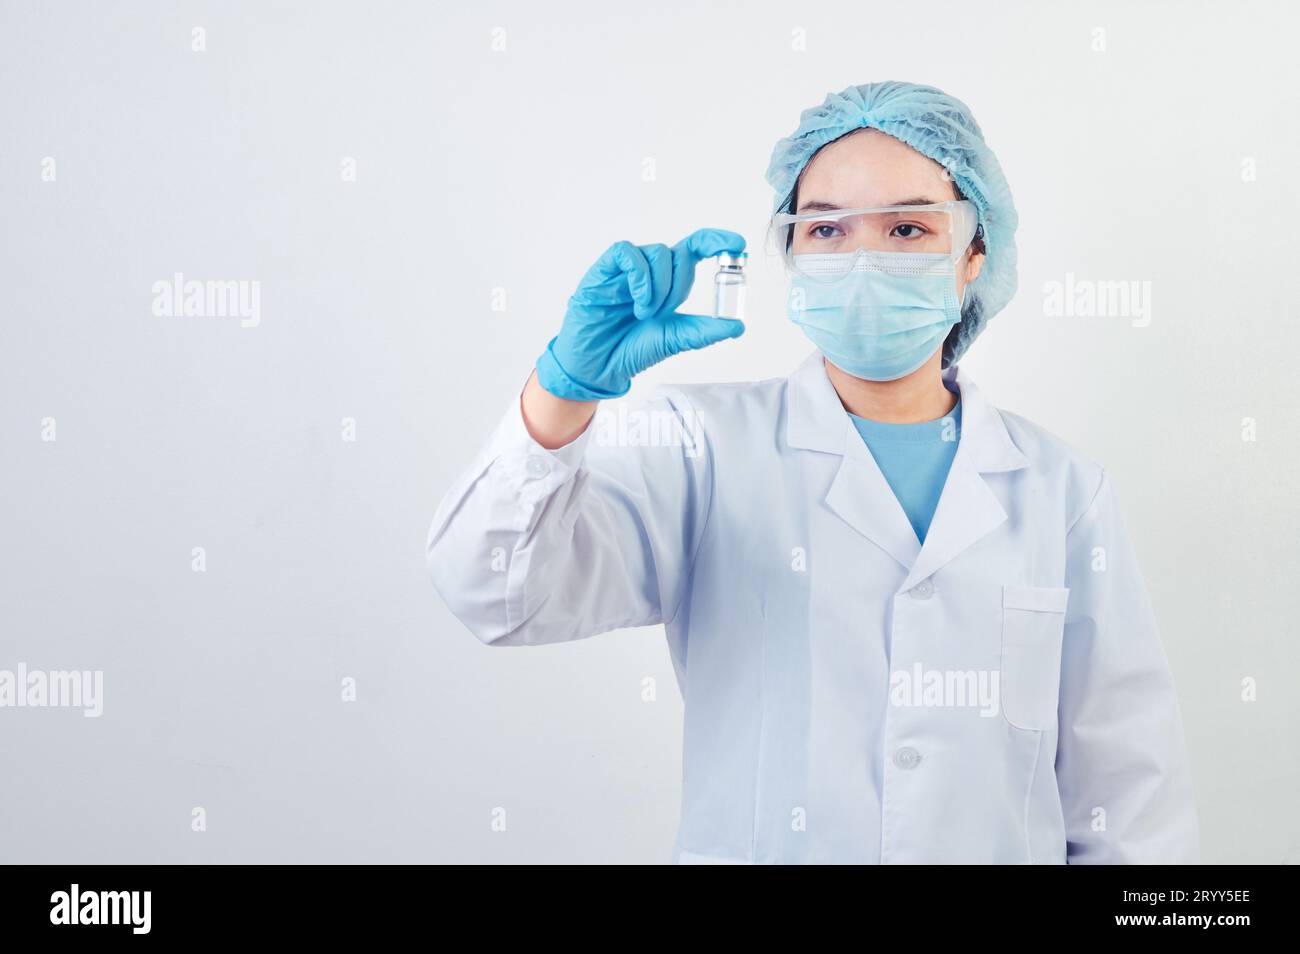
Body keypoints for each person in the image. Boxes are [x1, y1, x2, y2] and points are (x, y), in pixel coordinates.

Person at [426, 81, 1199, 864]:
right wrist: (562, 391)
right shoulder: (701, 448)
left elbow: (1129, 801)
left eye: (906, 227)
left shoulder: (1060, 491)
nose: (863, 260)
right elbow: (495, 594)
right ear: (791, 256)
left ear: (974, 255)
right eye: (827, 229)